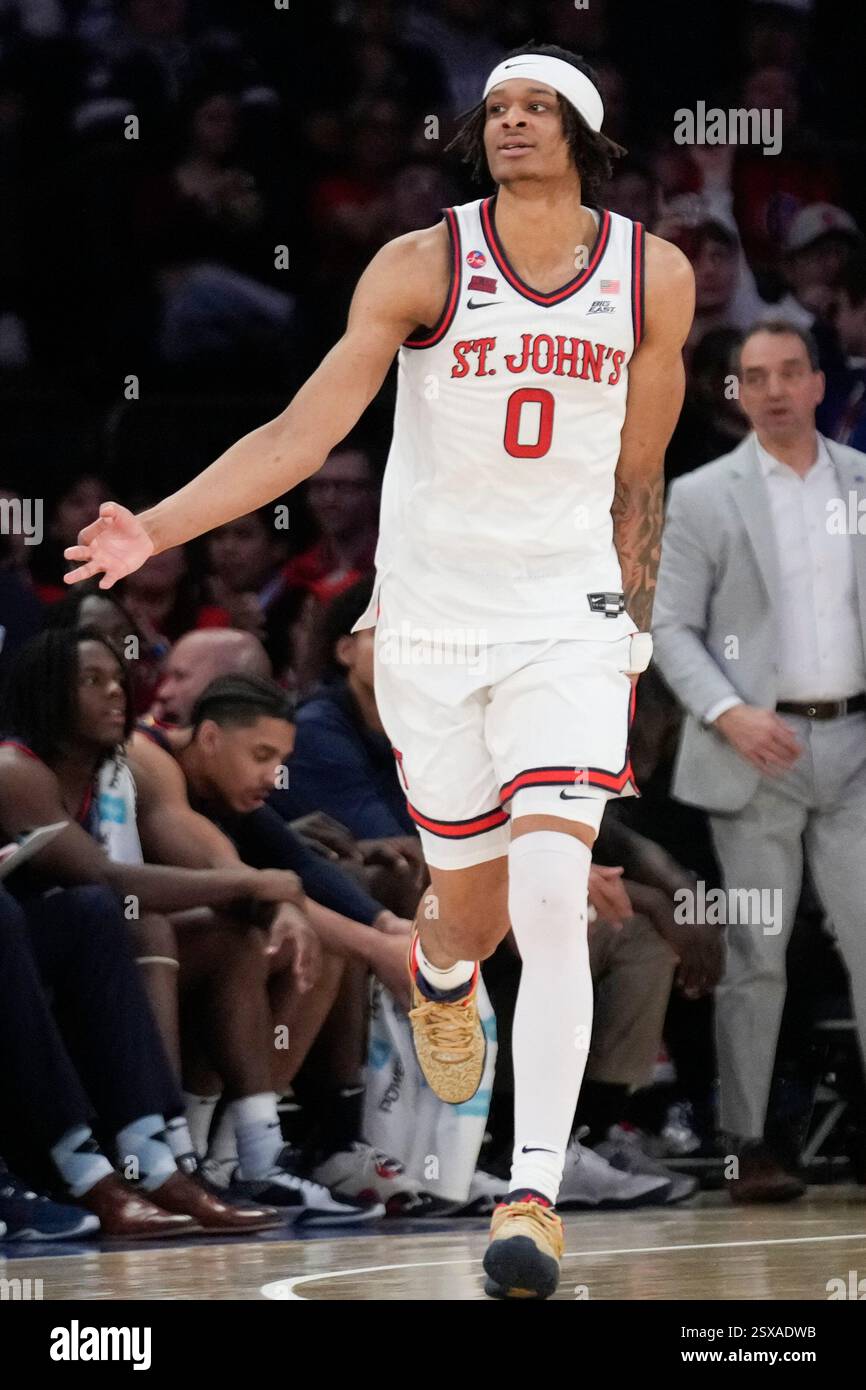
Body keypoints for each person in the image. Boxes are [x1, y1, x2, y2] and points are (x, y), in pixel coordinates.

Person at [64, 43, 694, 1299]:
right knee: (466, 908)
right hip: (431, 624)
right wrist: (161, 526)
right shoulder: (422, 262)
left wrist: (629, 612)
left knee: (555, 891)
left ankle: (529, 1193)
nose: (508, 122)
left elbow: (638, 472)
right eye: (495, 108)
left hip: (563, 623)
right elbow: (307, 430)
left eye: (533, 108)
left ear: (581, 132)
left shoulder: (650, 278)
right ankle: (443, 969)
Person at [0, 627, 379, 1225]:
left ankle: (218, 1157)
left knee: (212, 935)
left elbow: (245, 861)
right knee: (120, 916)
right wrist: (258, 884)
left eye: (118, 679)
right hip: (26, 960)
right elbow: (108, 876)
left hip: (71, 952)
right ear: (48, 690)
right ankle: (124, 1162)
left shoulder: (113, 769)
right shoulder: (17, 771)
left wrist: (272, 895)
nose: (115, 693)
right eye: (91, 681)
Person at [652, 319, 866, 1204]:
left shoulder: (862, 483)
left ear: (820, 383)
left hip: (855, 742)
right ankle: (745, 1140)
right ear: (735, 393)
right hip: (756, 747)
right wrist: (728, 710)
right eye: (754, 376)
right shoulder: (703, 495)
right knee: (757, 952)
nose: (773, 390)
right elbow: (668, 626)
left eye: (790, 373)